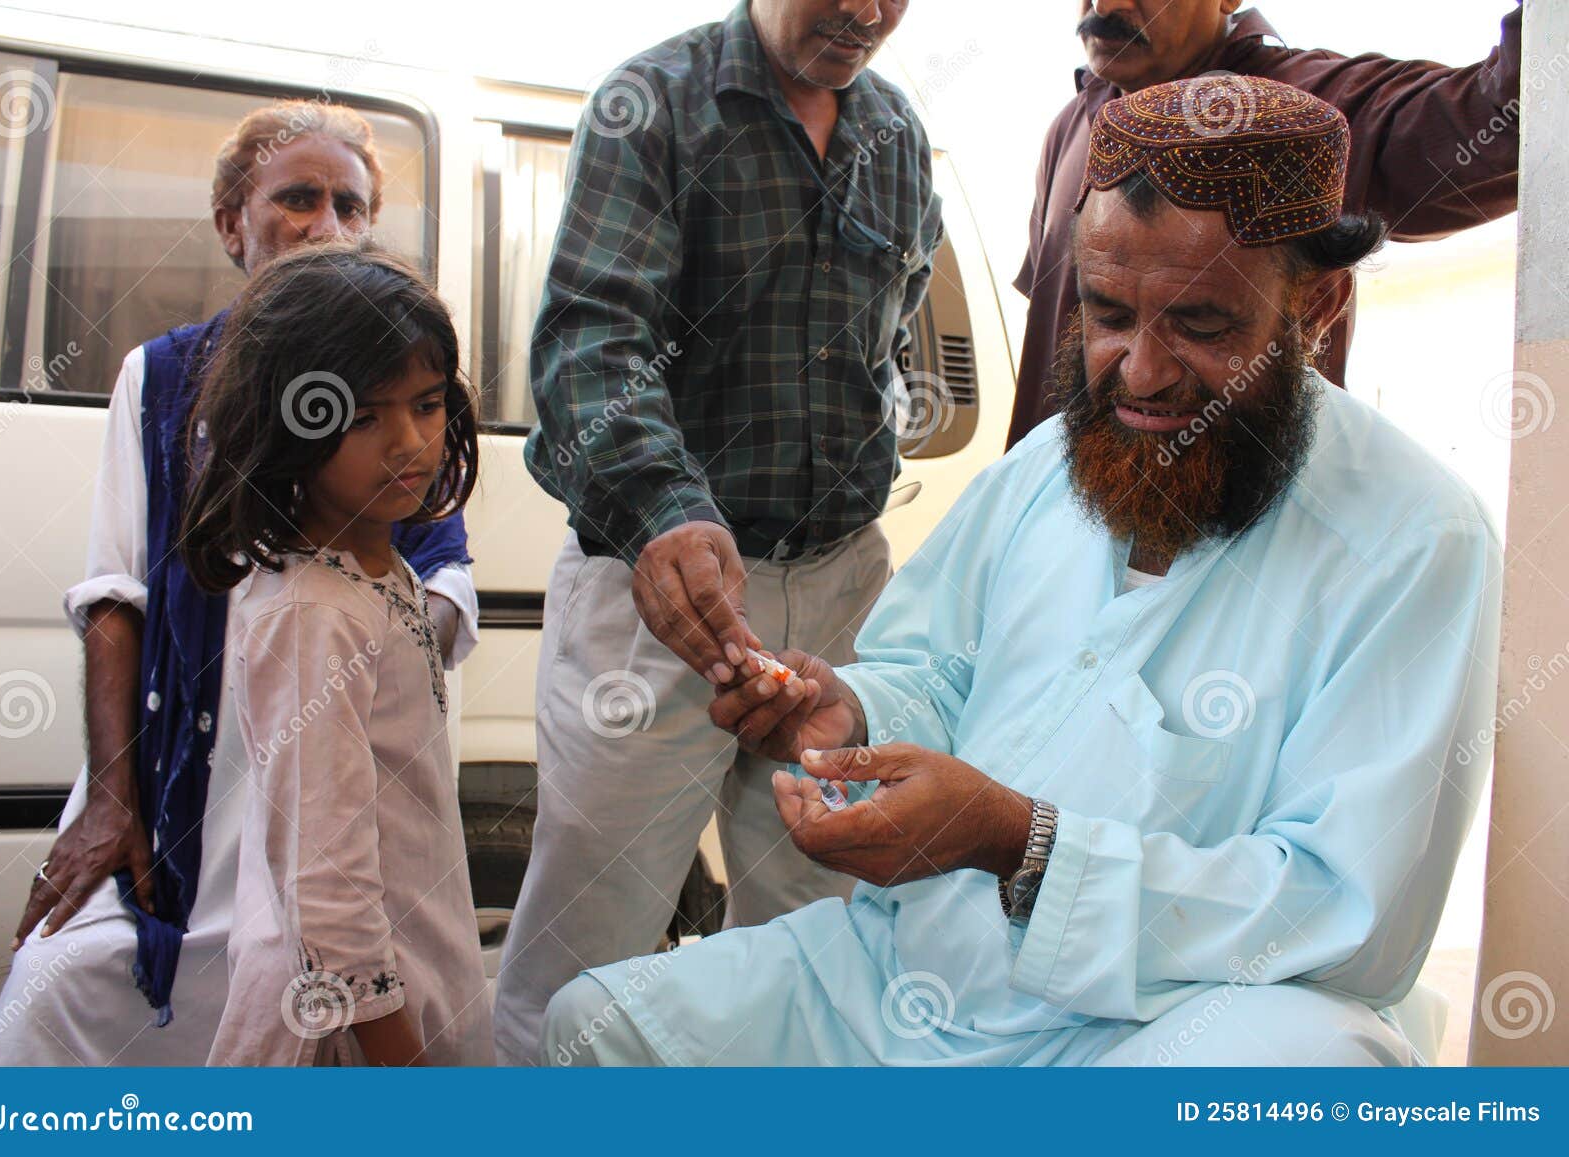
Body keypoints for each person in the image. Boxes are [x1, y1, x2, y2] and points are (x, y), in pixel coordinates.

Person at [540, 77, 1503, 1067]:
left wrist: (1024, 845)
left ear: (1316, 303)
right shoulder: (1048, 464)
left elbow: (1340, 907)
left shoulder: (1414, 537)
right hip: (907, 974)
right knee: (593, 1025)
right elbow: (942, 671)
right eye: (1108, 312)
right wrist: (853, 717)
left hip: (1154, 1025)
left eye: (1200, 325)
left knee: (1309, 1070)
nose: (1137, 369)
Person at [0, 102, 479, 1066]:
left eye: (350, 203)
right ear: (231, 222)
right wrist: (113, 798)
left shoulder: (392, 413)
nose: (324, 221)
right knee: (62, 987)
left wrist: (371, 648)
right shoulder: (164, 377)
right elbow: (117, 595)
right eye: (297, 197)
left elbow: (439, 579)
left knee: (318, 960)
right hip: (191, 767)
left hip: (332, 759)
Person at [493, 0, 942, 1065]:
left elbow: (893, 338)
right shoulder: (652, 103)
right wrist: (665, 508)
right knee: (582, 944)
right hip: (663, 595)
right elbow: (591, 338)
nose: (865, 11)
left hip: (839, 587)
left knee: (816, 935)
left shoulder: (896, 130)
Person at [179, 242, 490, 1066]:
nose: (410, 442)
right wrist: (401, 1065)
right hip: (350, 1032)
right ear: (287, 426)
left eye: (428, 404)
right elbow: (328, 886)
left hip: (411, 980)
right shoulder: (313, 613)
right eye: (363, 416)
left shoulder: (376, 574)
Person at [1005, 0, 1524, 448]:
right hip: (1067, 519)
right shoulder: (1071, 126)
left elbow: (1504, 116)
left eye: (1201, 323)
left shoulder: (1310, 111)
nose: (1107, 5)